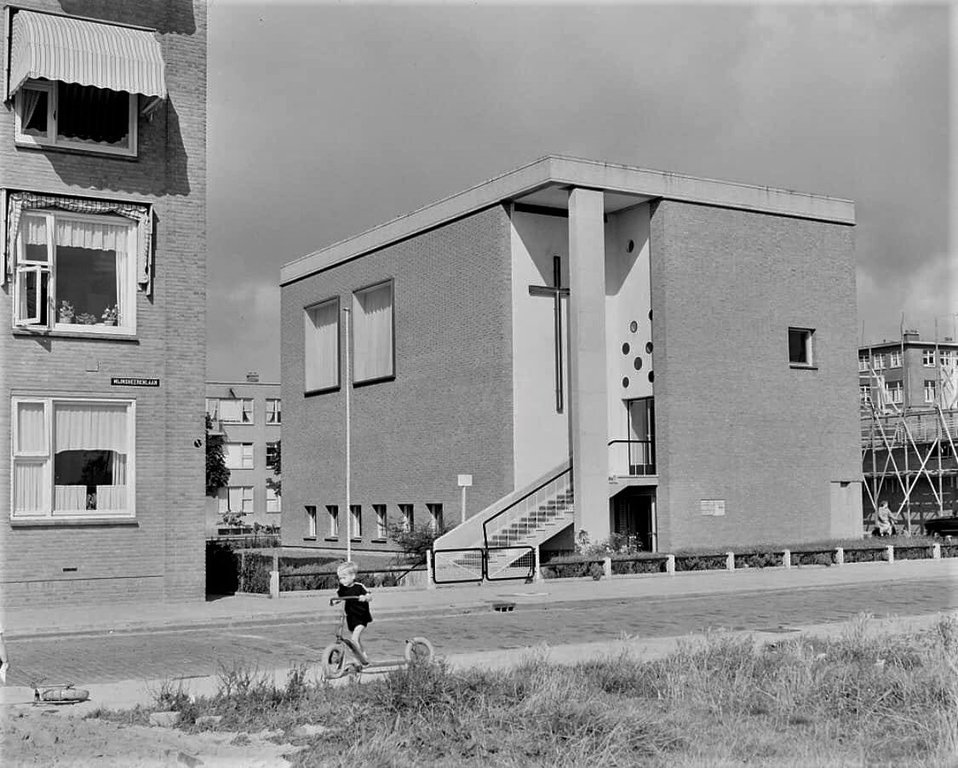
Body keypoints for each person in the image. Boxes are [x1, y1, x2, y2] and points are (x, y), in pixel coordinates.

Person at [336, 561, 372, 665]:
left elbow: (370, 596)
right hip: (350, 617)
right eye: (340, 578)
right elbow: (339, 597)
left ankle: (357, 659)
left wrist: (365, 597)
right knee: (357, 641)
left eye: (344, 578)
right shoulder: (342, 588)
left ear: (352, 576)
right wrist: (335, 600)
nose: (342, 581)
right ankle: (363, 657)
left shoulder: (359, 587)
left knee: (354, 639)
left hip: (361, 616)